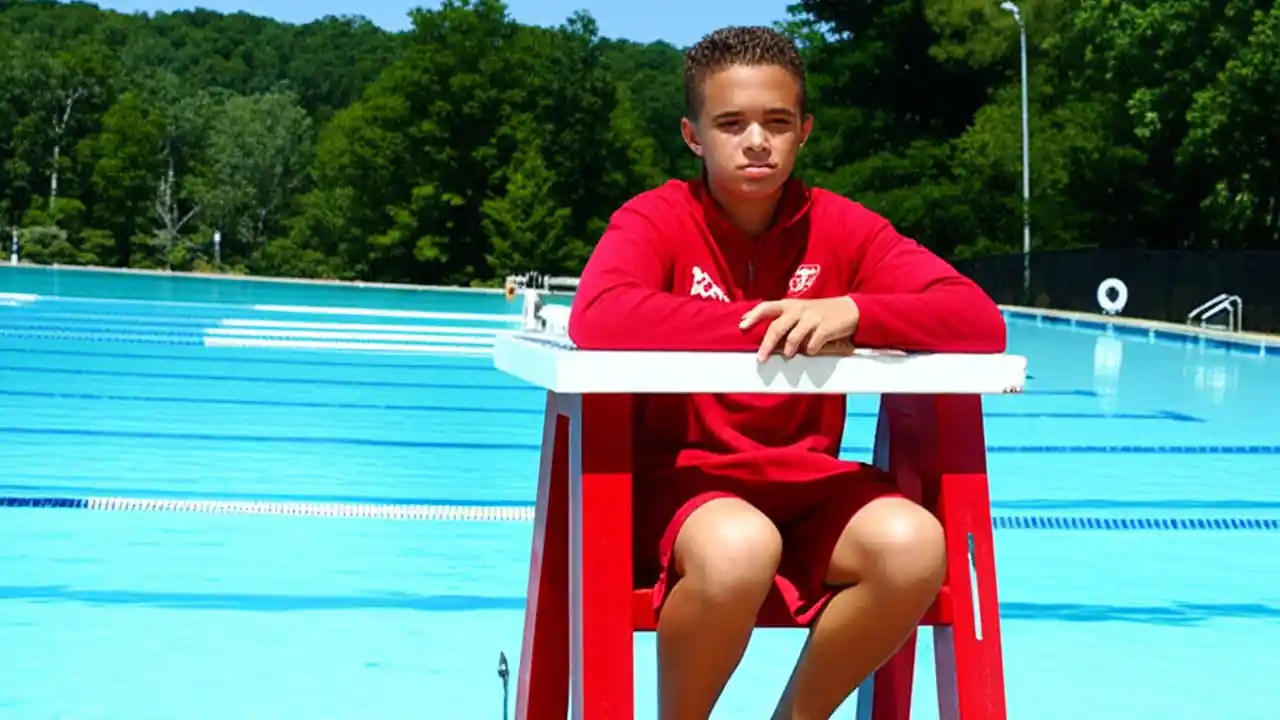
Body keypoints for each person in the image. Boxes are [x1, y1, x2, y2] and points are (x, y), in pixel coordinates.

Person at [567, 25, 1006, 720]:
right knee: (740, 548)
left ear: (804, 131)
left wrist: (857, 312)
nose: (755, 141)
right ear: (692, 135)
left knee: (915, 545)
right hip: (686, 490)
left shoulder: (844, 227)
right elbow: (600, 314)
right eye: (731, 123)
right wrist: (773, 323)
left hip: (806, 484)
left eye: (776, 122)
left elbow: (978, 319)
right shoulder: (655, 219)